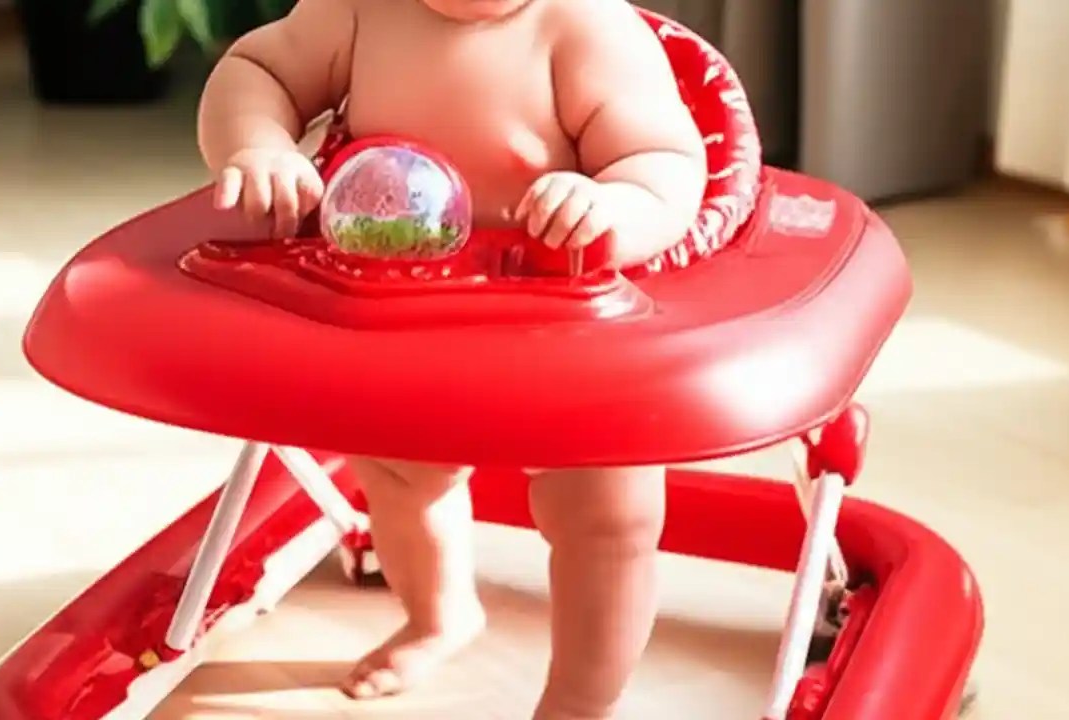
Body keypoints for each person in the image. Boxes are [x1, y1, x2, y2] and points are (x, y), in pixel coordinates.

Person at [196, 1, 708, 717]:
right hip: (411, 307)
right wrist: (260, 147)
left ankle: (579, 701)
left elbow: (667, 164)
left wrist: (613, 204)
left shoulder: (584, 26)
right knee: (399, 472)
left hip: (563, 325)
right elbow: (259, 69)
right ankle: (439, 617)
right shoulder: (360, 9)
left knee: (607, 516)